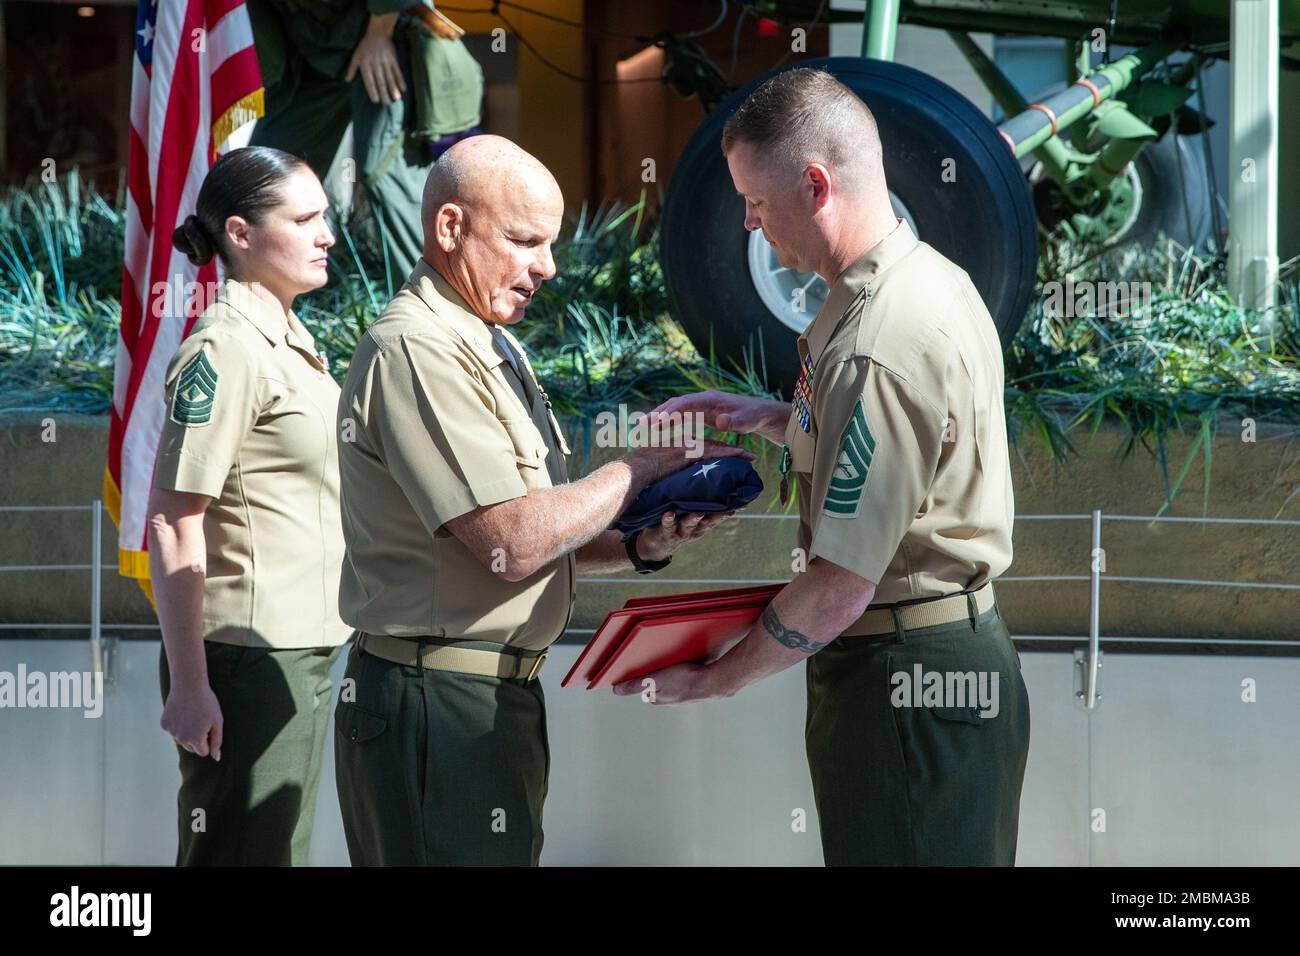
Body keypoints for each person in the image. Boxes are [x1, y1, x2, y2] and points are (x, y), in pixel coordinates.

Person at [625, 68, 1031, 866]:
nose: (749, 221)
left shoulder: (879, 340)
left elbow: (843, 582)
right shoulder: (922, 283)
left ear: (817, 185)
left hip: (905, 683)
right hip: (930, 669)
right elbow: (906, 452)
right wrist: (771, 420)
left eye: (757, 200)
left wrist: (719, 677)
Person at [333, 134, 751, 866]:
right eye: (525, 240)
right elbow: (517, 541)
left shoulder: (488, 343)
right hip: (439, 703)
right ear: (450, 227)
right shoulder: (419, 349)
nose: (547, 267)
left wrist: (640, 544)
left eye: (549, 243)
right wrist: (643, 467)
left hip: (480, 699)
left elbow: (528, 542)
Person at [148, 146, 350, 866]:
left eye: (325, 215)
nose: (327, 233)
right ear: (239, 233)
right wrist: (193, 685)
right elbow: (174, 519)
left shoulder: (287, 339)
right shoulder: (228, 348)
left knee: (273, 853)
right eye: (304, 219)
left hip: (298, 648)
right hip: (245, 657)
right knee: (241, 853)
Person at [247, 0, 484, 276]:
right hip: (310, 54)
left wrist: (379, 34)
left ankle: (436, 307)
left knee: (386, 175)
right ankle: (258, 304)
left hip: (385, 33)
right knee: (265, 180)